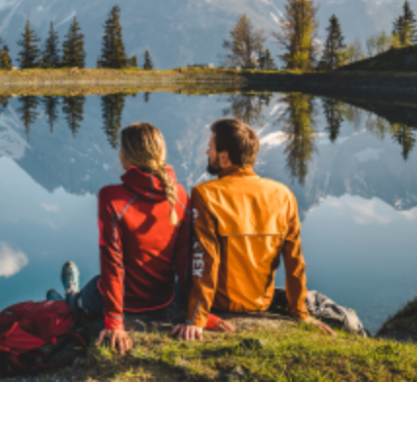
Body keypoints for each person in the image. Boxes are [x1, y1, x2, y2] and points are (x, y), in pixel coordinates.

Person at [59, 122, 231, 354]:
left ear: (126, 155)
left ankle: (70, 295)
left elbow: (113, 265)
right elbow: (185, 261)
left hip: (125, 302)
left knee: (82, 298)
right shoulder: (179, 194)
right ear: (161, 153)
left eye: (121, 149)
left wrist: (114, 323)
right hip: (164, 298)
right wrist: (199, 315)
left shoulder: (111, 197)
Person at [172, 118, 335, 341]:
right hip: (261, 302)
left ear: (224, 156)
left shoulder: (206, 194)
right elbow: (294, 261)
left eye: (211, 146)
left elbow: (205, 260)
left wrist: (197, 318)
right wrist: (300, 313)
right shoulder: (283, 194)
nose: (206, 150)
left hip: (221, 304)